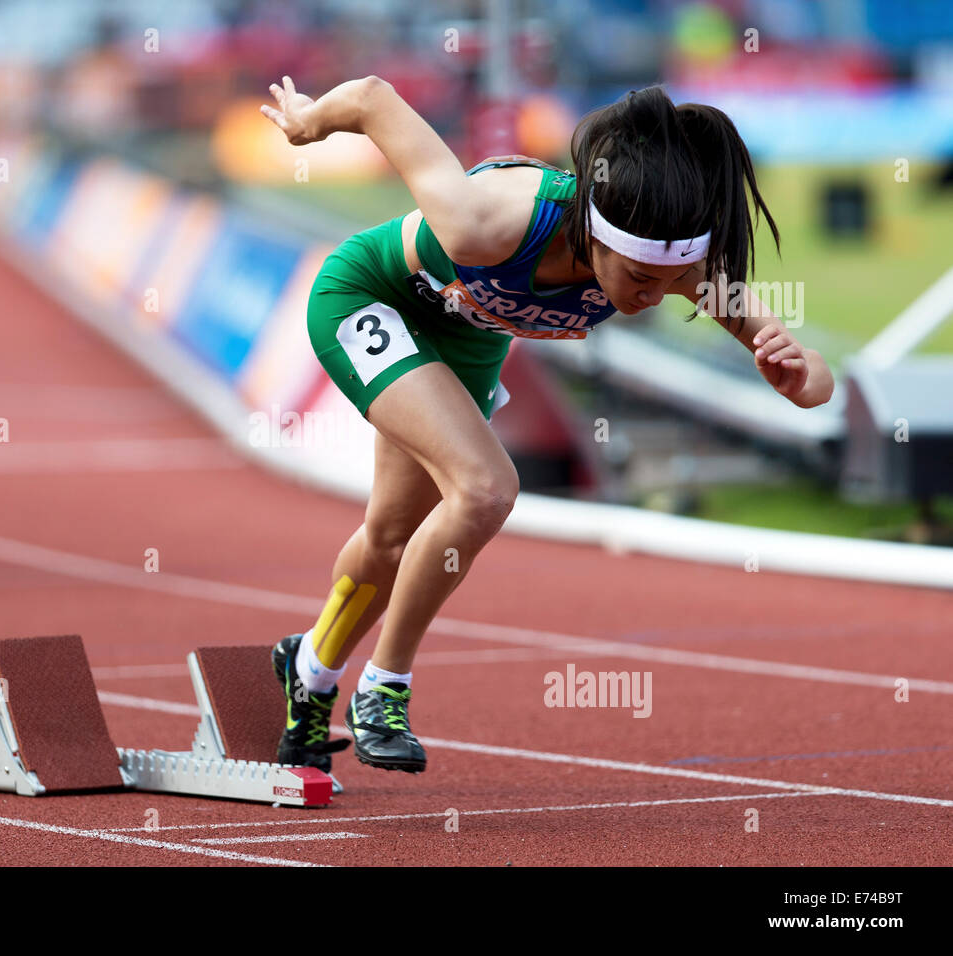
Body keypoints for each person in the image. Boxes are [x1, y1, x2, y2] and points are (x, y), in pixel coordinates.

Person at [259, 77, 834, 773]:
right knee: (485, 490)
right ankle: (385, 686)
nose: (654, 296)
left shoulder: (671, 260)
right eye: (638, 278)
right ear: (596, 234)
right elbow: (375, 98)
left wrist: (798, 378)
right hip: (372, 299)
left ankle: (310, 672)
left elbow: (814, 377)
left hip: (467, 344)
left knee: (389, 536)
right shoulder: (489, 220)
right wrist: (309, 123)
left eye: (671, 281)